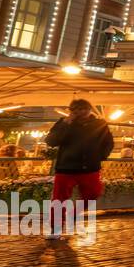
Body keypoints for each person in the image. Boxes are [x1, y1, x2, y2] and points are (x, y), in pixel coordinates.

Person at [44, 99, 113, 240]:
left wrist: (100, 156)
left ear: (89, 109)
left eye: (83, 109)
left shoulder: (99, 124)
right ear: (71, 111)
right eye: (76, 110)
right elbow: (51, 141)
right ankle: (56, 228)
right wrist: (66, 124)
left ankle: (72, 215)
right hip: (66, 167)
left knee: (93, 193)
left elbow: (108, 143)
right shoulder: (64, 123)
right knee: (59, 199)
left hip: (90, 167)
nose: (80, 112)